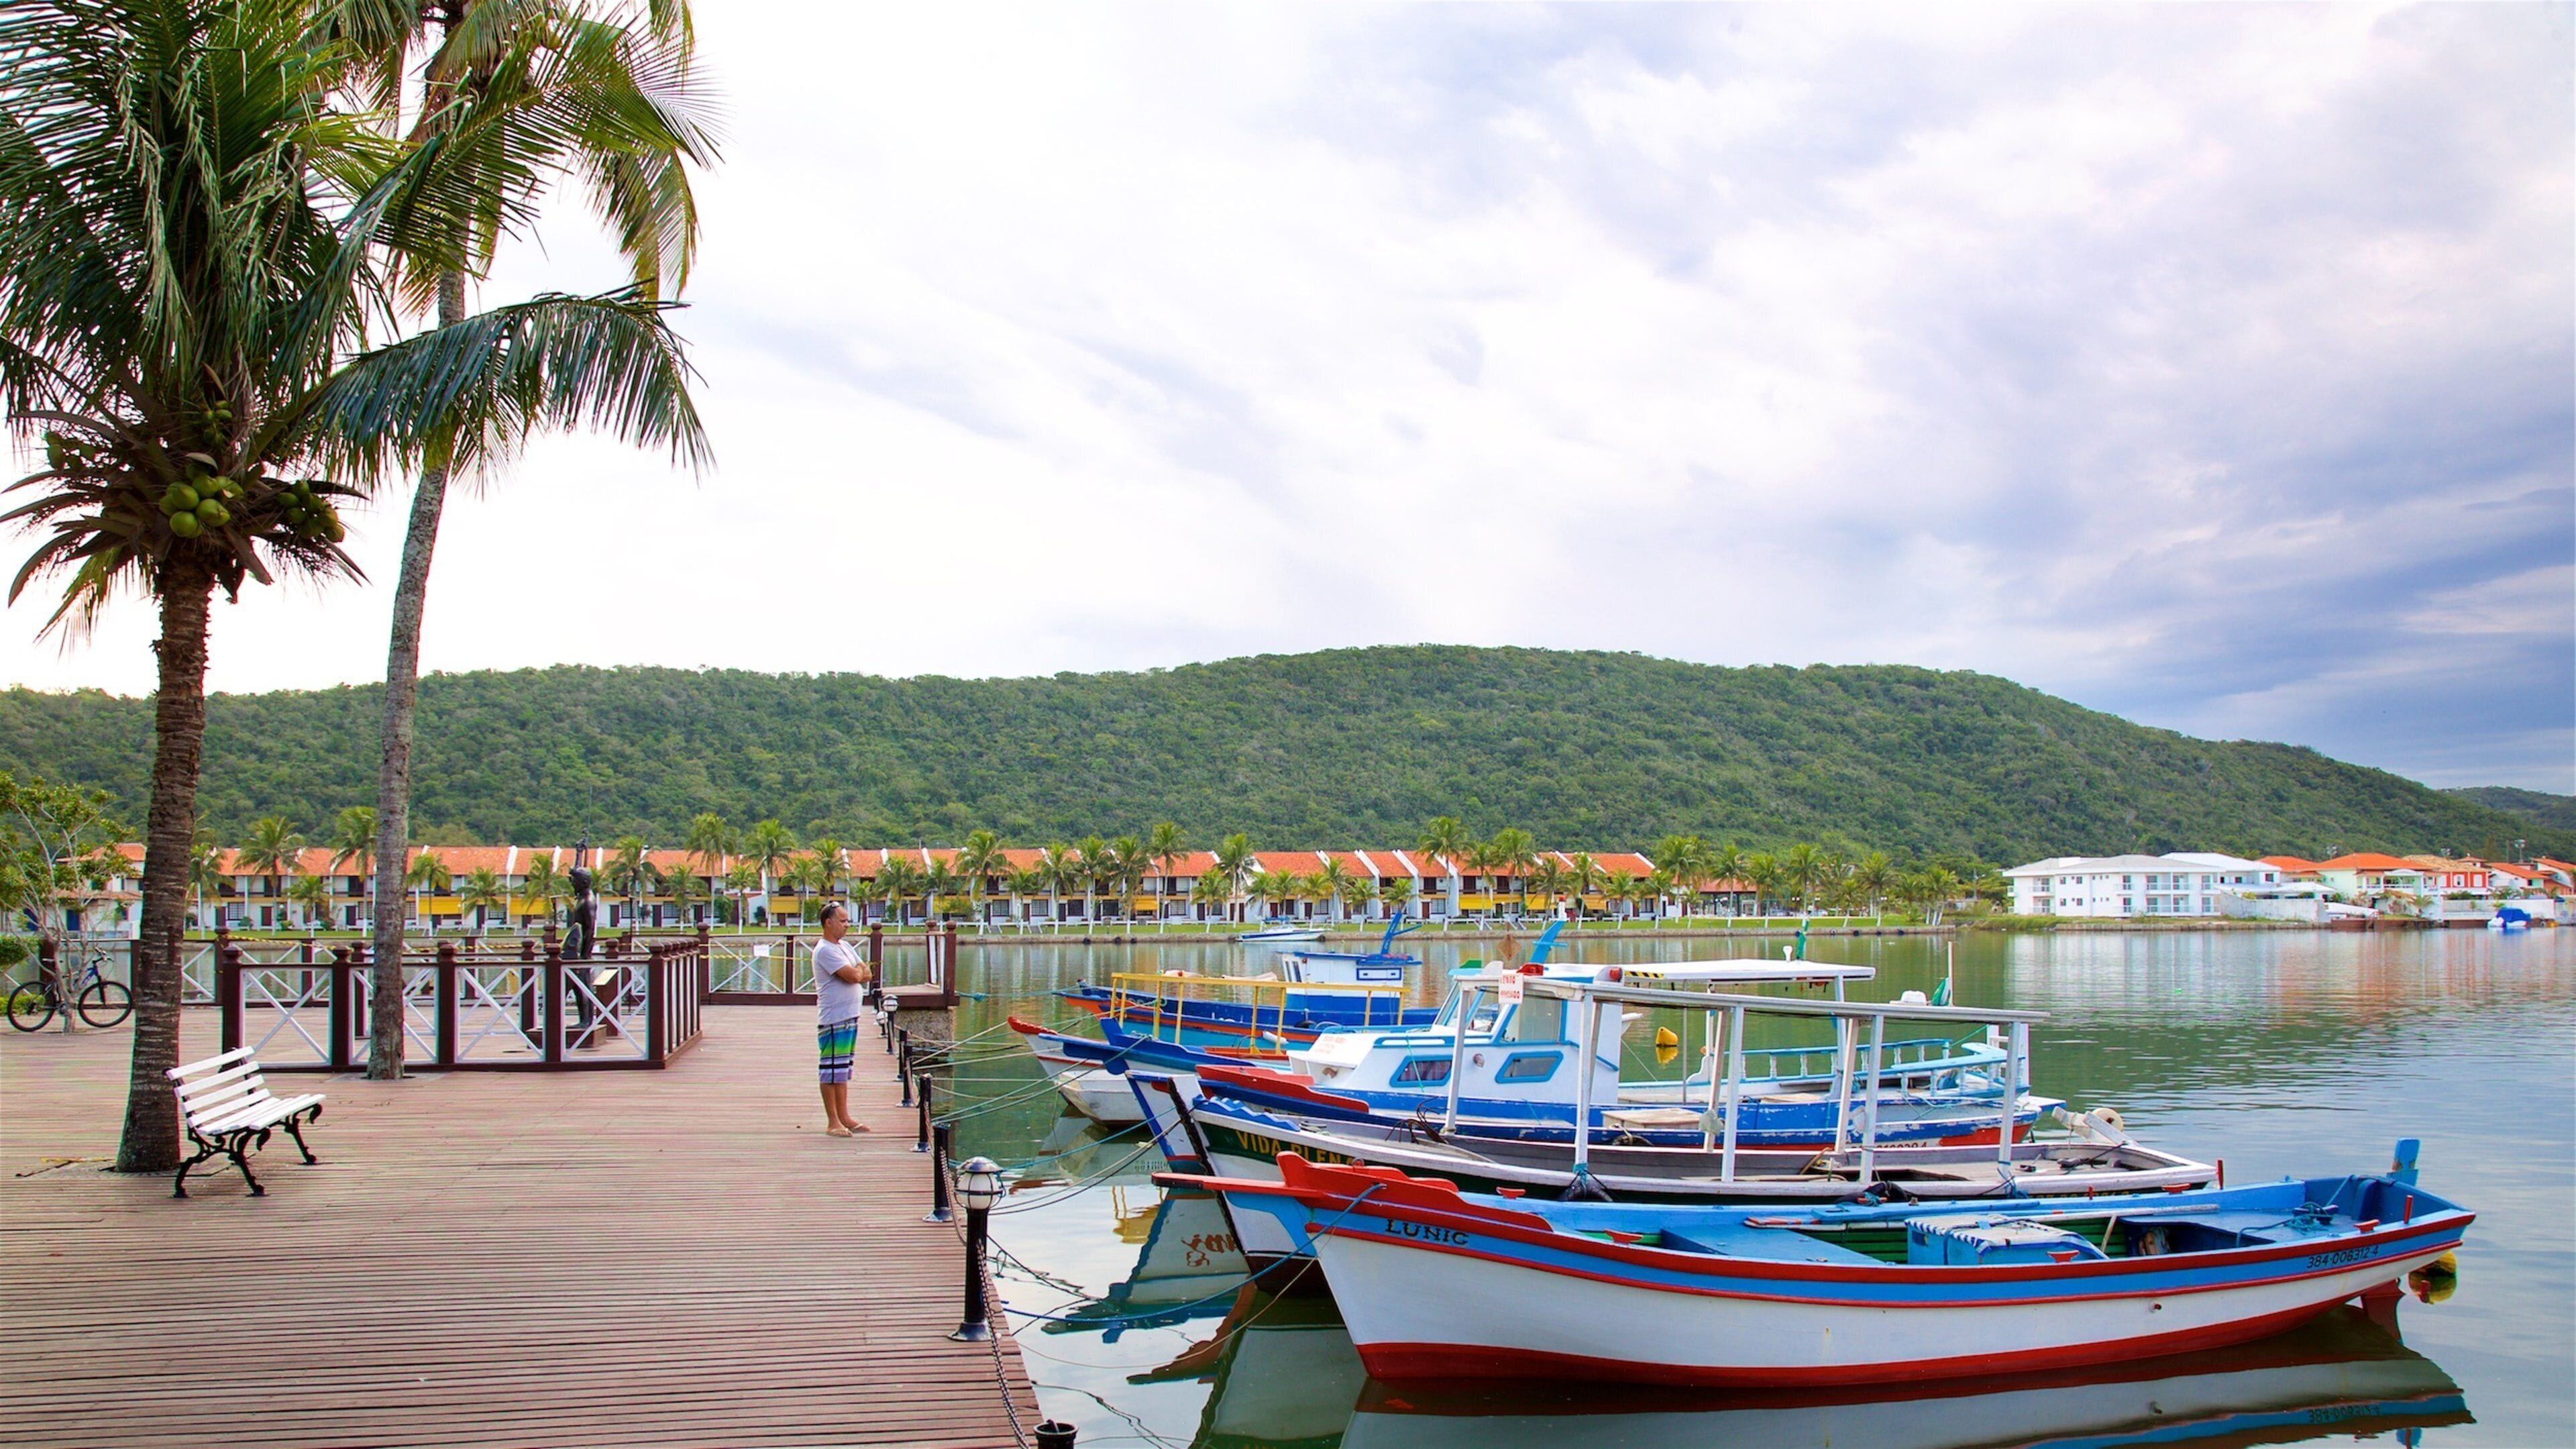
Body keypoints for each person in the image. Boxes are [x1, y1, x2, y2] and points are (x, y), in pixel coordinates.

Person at [814, 903, 872, 1135]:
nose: (847, 925)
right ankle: (833, 1122)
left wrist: (859, 972)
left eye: (848, 921)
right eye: (843, 921)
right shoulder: (825, 950)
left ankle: (845, 1116)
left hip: (850, 1015)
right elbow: (853, 975)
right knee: (830, 1070)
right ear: (829, 923)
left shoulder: (845, 946)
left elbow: (866, 972)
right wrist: (858, 973)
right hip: (834, 1017)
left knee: (843, 1069)